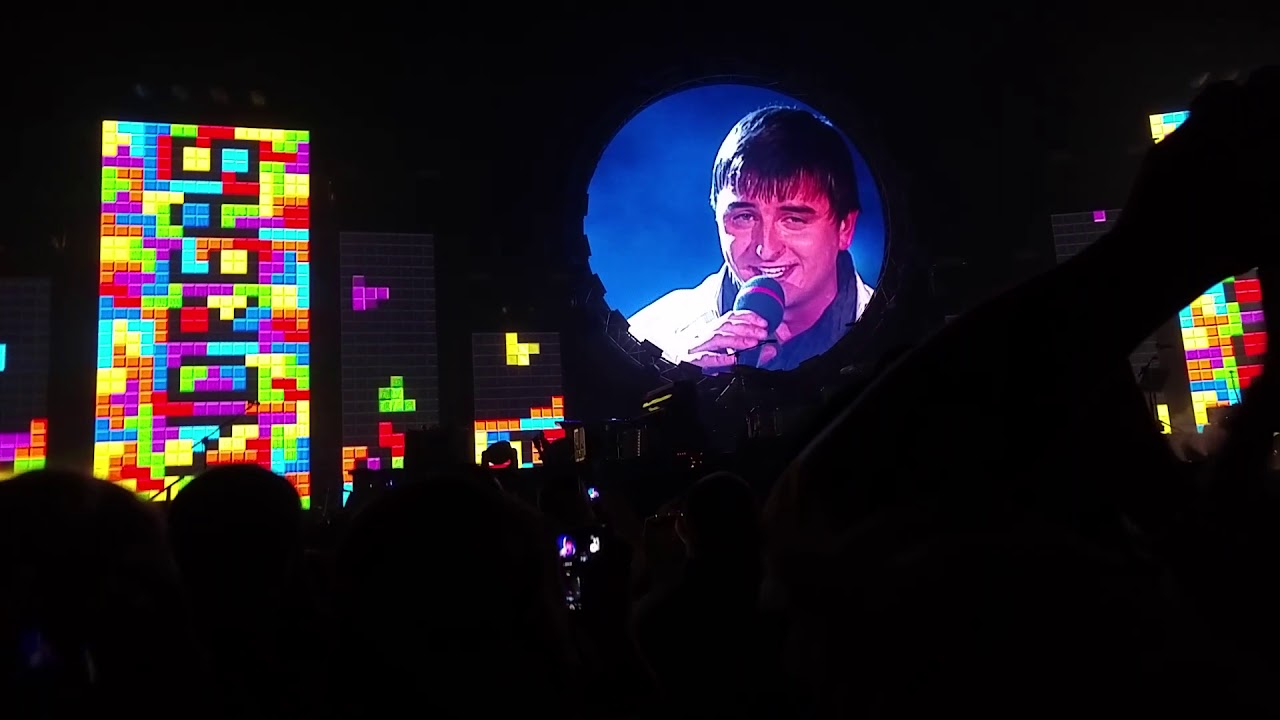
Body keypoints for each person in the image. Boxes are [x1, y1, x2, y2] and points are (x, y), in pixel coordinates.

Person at [627, 106, 876, 373]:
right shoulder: (649, 339)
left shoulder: (900, 343)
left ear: (845, 228)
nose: (766, 249)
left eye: (793, 219)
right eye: (745, 217)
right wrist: (669, 383)